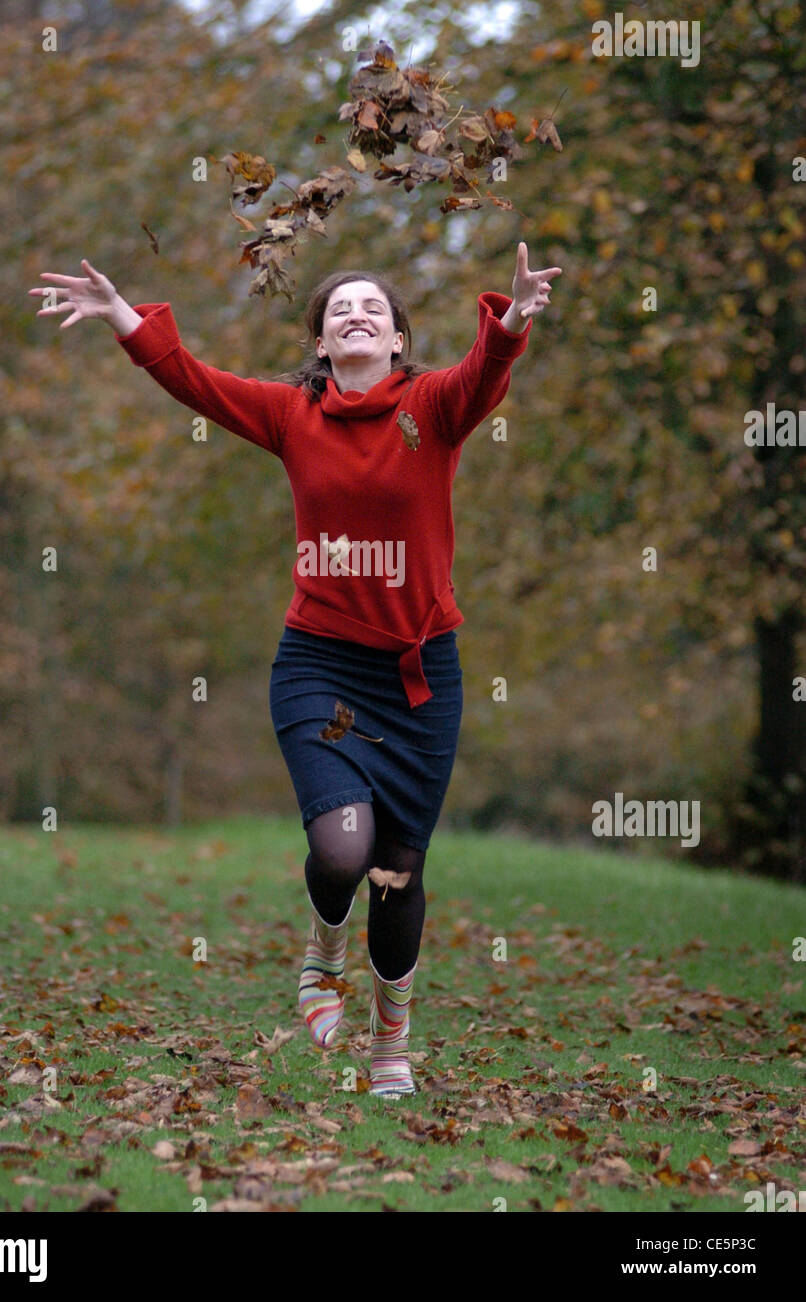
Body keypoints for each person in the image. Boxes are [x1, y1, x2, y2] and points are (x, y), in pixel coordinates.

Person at [28, 243, 561, 1099]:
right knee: (342, 845)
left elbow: (482, 375)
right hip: (320, 663)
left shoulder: (432, 408)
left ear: (397, 341)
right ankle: (322, 952)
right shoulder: (291, 416)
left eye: (374, 310)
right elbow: (195, 381)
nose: (356, 315)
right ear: (319, 343)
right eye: (338, 310)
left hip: (420, 677)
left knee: (397, 873)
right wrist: (122, 315)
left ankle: (393, 1041)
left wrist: (512, 322)